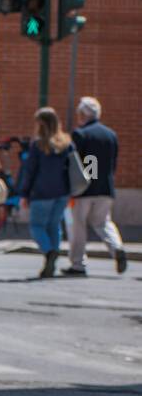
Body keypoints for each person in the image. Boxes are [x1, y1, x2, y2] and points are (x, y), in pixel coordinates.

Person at [65, 96, 127, 276]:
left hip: (83, 189)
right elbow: (113, 163)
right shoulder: (111, 135)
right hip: (106, 188)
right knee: (103, 222)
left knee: (79, 226)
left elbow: (75, 163)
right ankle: (117, 248)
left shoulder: (80, 134)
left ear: (83, 114)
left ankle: (78, 264)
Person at [15, 107, 74, 278]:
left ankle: (49, 252)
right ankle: (53, 254)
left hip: (41, 193)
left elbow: (30, 171)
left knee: (37, 226)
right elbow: (77, 166)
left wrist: (24, 194)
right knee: (54, 226)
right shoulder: (67, 143)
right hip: (62, 192)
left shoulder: (38, 144)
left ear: (41, 124)